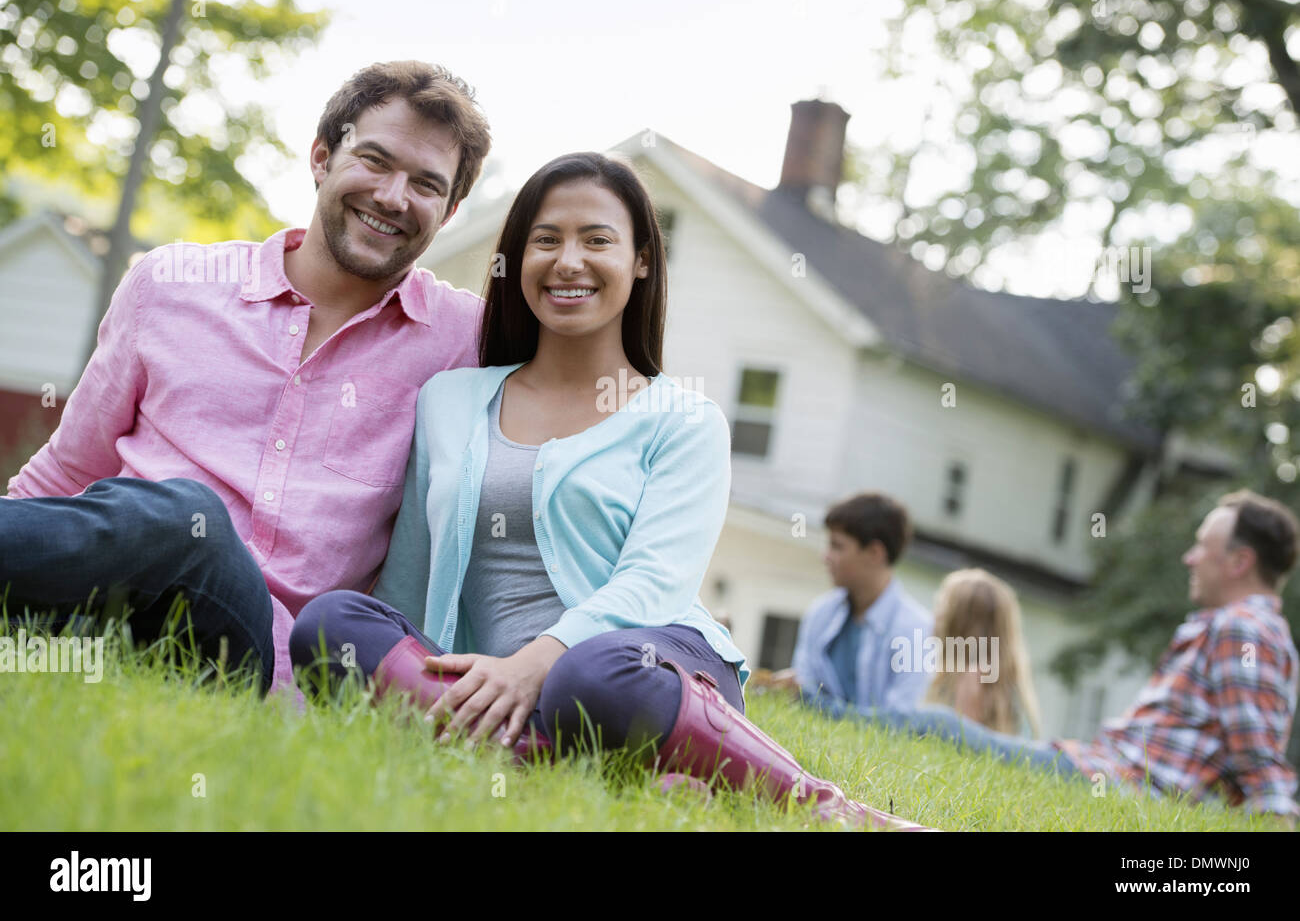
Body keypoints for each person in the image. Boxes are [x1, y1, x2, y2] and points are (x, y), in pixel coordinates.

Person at [289, 152, 934, 831]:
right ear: (516, 258)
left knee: (591, 678)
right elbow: (410, 578)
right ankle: (554, 759)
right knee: (334, 622)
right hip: (498, 677)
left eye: (596, 239)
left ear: (642, 261)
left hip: (642, 662)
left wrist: (538, 661)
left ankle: (823, 807)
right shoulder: (450, 401)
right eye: (546, 240)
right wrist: (398, 666)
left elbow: (654, 582)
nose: (569, 261)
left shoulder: (682, 420)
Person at [1, 61, 492, 695]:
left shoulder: (466, 344)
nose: (394, 197)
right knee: (175, 519)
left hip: (259, 660)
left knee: (191, 522)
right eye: (374, 160)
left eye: (426, 184)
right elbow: (66, 476)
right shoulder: (170, 285)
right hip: (107, 608)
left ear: (449, 212)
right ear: (321, 157)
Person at [806, 490, 1300, 823]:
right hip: (1104, 767)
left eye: (1202, 547)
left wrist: (1277, 817)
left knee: (939, 727)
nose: (1189, 558)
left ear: (1239, 561)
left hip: (1117, 780)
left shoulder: (1244, 630)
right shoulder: (1235, 627)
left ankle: (816, 707)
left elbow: (1257, 753)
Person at [776, 492, 933, 711]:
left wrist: (814, 701)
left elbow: (900, 721)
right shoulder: (821, 613)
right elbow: (801, 694)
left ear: (875, 553)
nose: (826, 556)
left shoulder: (917, 630)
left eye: (837, 546)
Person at [924, 568, 1042, 738]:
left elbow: (958, 748)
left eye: (942, 606)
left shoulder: (973, 679)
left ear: (961, 622)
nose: (935, 615)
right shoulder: (1003, 685)